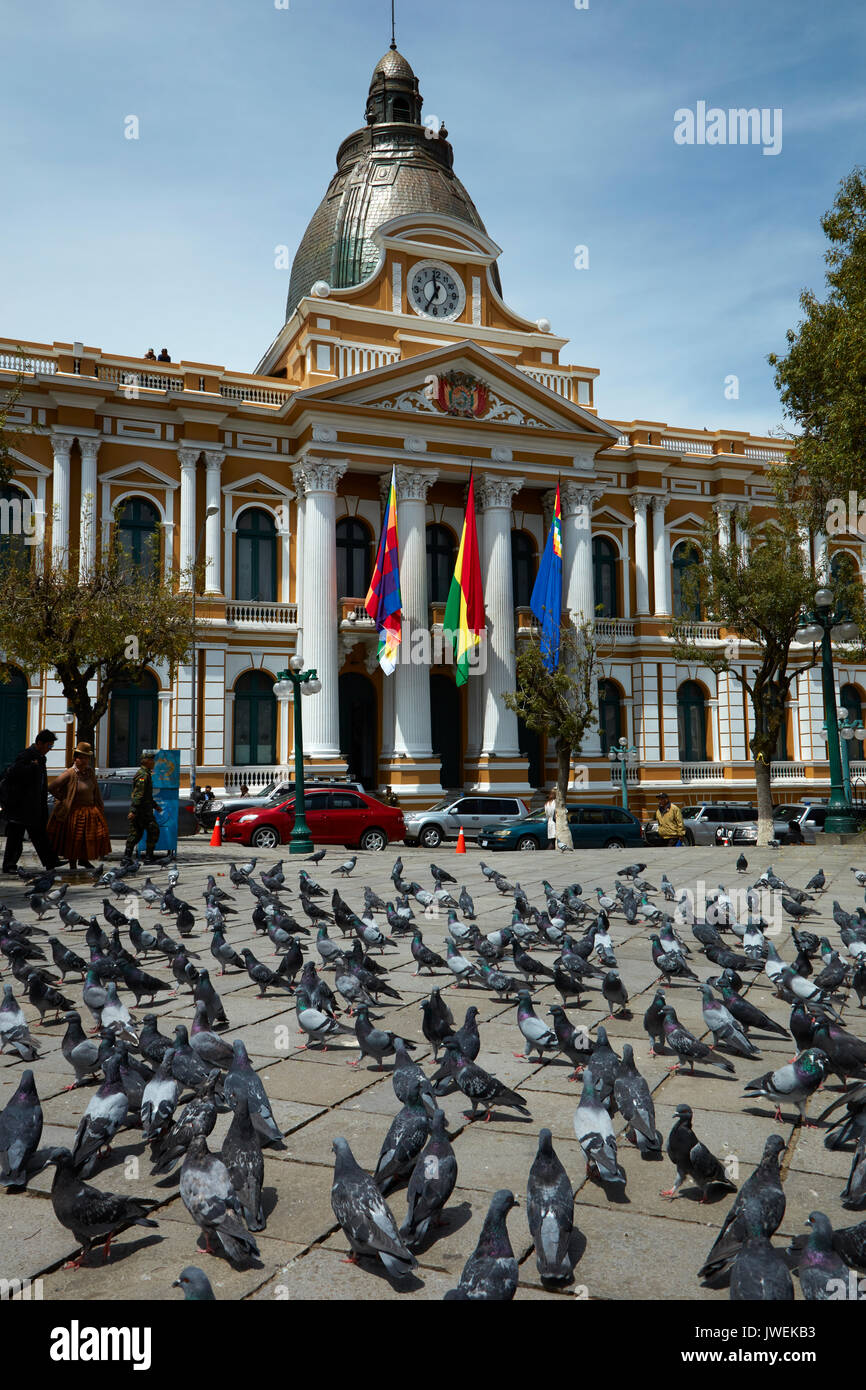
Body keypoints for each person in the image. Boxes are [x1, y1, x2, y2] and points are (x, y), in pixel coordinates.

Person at [1, 729, 63, 872]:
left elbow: (41, 784)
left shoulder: (40, 758)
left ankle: (51, 861)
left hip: (34, 806)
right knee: (15, 837)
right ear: (39, 743)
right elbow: (15, 774)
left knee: (40, 835)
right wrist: (32, 767)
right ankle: (9, 865)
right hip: (20, 807)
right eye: (49, 746)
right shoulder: (26, 755)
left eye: (52, 746)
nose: (50, 749)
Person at [46, 742, 111, 873]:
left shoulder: (90, 772)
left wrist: (99, 804)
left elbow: (95, 790)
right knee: (74, 839)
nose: (86, 760)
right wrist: (63, 799)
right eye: (83, 757)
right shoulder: (69, 773)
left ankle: (84, 859)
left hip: (90, 810)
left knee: (88, 839)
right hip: (74, 811)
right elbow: (51, 787)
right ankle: (73, 864)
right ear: (76, 758)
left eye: (87, 758)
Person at [125, 750, 163, 863]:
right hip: (141, 811)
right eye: (151, 760)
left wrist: (155, 806)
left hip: (145, 810)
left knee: (138, 833)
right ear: (146, 761)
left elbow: (147, 795)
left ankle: (133, 857)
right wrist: (134, 810)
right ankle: (142, 857)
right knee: (148, 831)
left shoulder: (146, 774)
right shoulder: (143, 775)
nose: (153, 762)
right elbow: (139, 794)